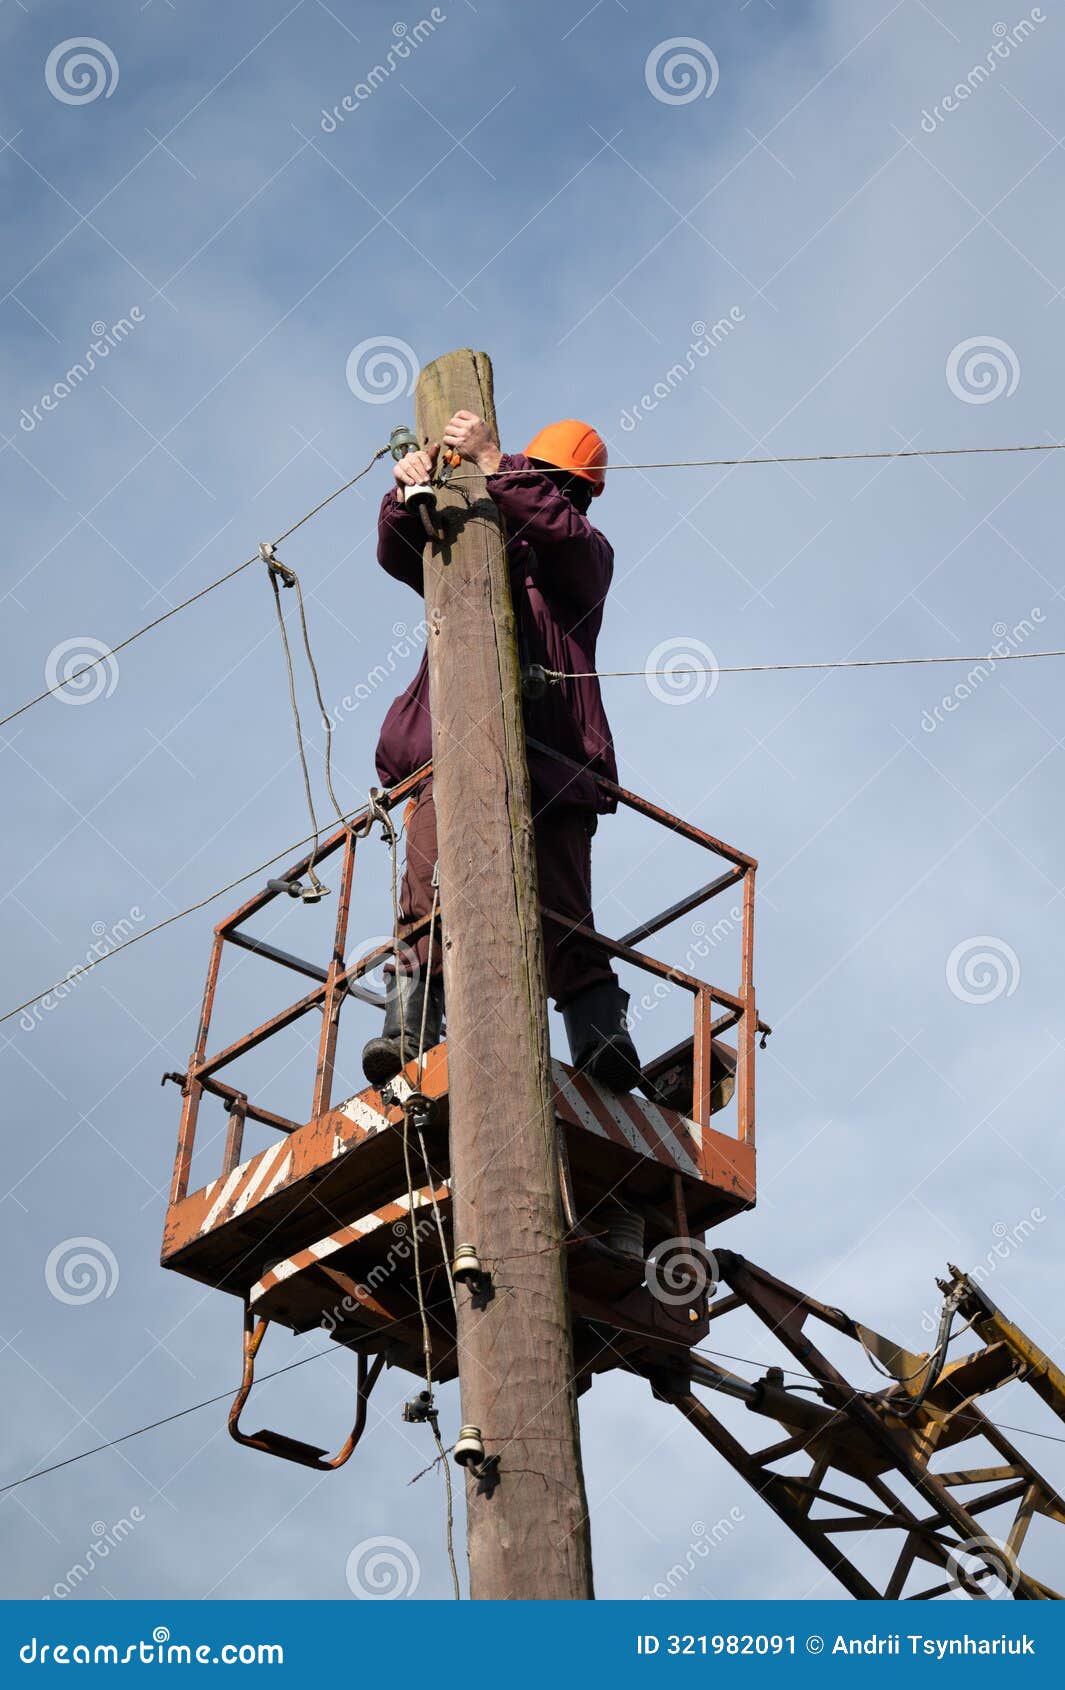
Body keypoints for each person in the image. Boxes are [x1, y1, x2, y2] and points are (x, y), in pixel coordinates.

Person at [361, 410, 642, 1093]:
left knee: (565, 915)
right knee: (424, 897)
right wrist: (407, 492)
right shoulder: (469, 541)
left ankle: (601, 1043)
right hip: (449, 759)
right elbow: (401, 545)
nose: (544, 494)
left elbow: (557, 527)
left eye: (552, 485)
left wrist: (493, 463)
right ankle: (407, 1028)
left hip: (552, 764)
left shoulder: (583, 557)